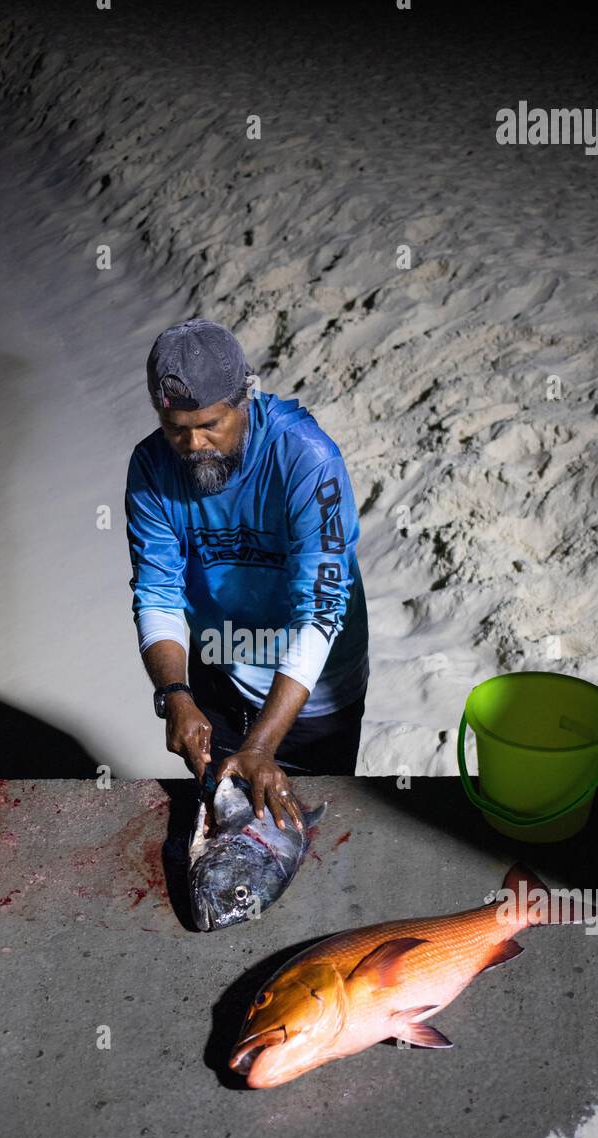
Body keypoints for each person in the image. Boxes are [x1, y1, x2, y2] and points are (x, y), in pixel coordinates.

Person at [125, 318, 369, 832]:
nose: (194, 445)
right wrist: (176, 694)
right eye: (176, 429)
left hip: (312, 689)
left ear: (245, 399)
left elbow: (320, 611)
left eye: (211, 424)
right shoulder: (149, 467)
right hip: (218, 668)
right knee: (225, 830)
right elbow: (157, 594)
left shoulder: (307, 459)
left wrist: (262, 743)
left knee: (313, 836)